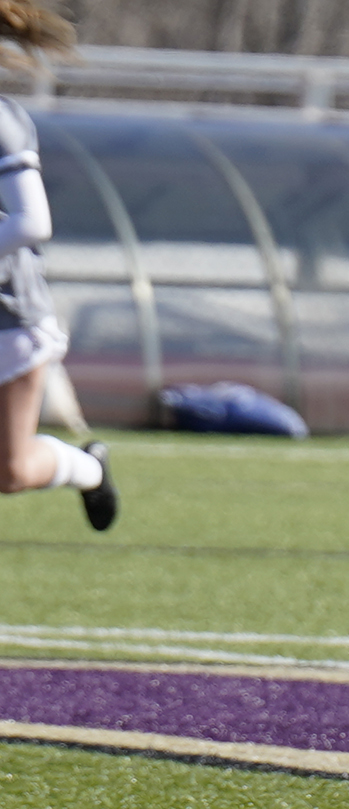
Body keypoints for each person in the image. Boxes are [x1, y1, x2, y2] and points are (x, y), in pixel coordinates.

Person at [0, 1, 113, 531]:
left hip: (9, 318)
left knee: (12, 471)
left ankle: (90, 469)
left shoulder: (2, 121)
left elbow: (32, 222)